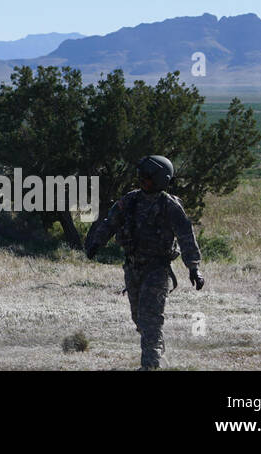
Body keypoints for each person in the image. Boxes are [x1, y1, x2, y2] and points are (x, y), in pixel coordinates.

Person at [84, 155, 205, 369]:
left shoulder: (170, 205)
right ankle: (157, 352)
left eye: (147, 178)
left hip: (157, 270)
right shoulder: (130, 200)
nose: (142, 181)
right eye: (141, 177)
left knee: (150, 319)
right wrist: (96, 242)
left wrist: (194, 267)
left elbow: (186, 235)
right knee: (139, 319)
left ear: (160, 180)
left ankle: (150, 365)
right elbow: (110, 222)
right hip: (132, 268)